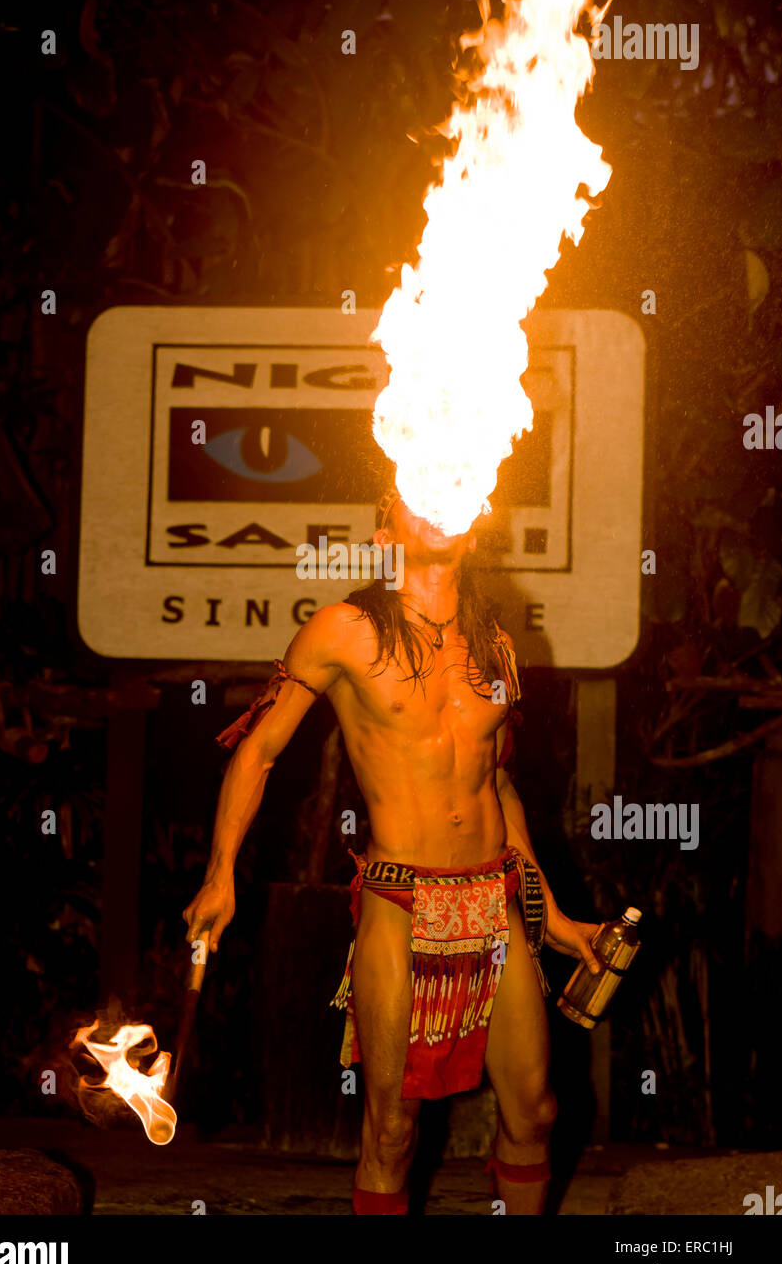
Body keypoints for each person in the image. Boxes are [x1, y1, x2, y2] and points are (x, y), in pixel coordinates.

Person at [183, 488, 600, 1215]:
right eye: (418, 496)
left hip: (493, 901)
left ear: (473, 533)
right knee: (392, 1131)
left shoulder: (496, 643)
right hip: (399, 899)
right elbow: (258, 754)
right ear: (385, 533)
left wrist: (553, 915)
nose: (439, 506)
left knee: (535, 1112)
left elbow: (497, 783)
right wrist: (221, 876)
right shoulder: (343, 632)